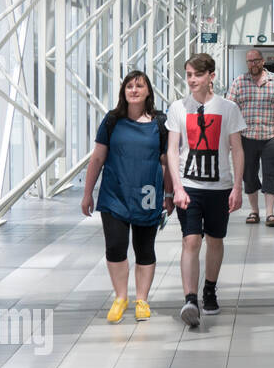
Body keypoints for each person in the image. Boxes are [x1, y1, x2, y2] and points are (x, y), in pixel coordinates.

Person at [80, 70, 173, 324]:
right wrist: (88, 193)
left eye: (139, 86)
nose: (134, 90)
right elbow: (97, 158)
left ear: (148, 92)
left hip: (147, 195)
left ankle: (141, 299)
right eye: (129, 86)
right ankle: (121, 297)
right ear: (124, 91)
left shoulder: (159, 123)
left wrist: (169, 193)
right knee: (115, 247)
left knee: (144, 249)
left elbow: (166, 162)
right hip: (114, 195)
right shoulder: (112, 121)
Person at [166, 53, 246, 326]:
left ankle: (209, 289)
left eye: (197, 75)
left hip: (219, 187)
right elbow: (172, 150)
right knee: (191, 240)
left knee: (214, 240)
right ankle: (190, 299)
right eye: (188, 75)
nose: (191, 80)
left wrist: (237, 186)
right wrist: (177, 187)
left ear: (211, 76)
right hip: (190, 187)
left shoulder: (228, 108)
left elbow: (237, 149)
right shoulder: (178, 108)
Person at [227, 49, 274, 228]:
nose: (253, 64)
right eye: (250, 61)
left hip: (271, 136)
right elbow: (230, 108)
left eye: (256, 60)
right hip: (246, 137)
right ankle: (254, 211)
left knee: (271, 173)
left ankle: (270, 213)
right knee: (249, 175)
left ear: (262, 61)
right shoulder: (239, 82)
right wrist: (229, 137)